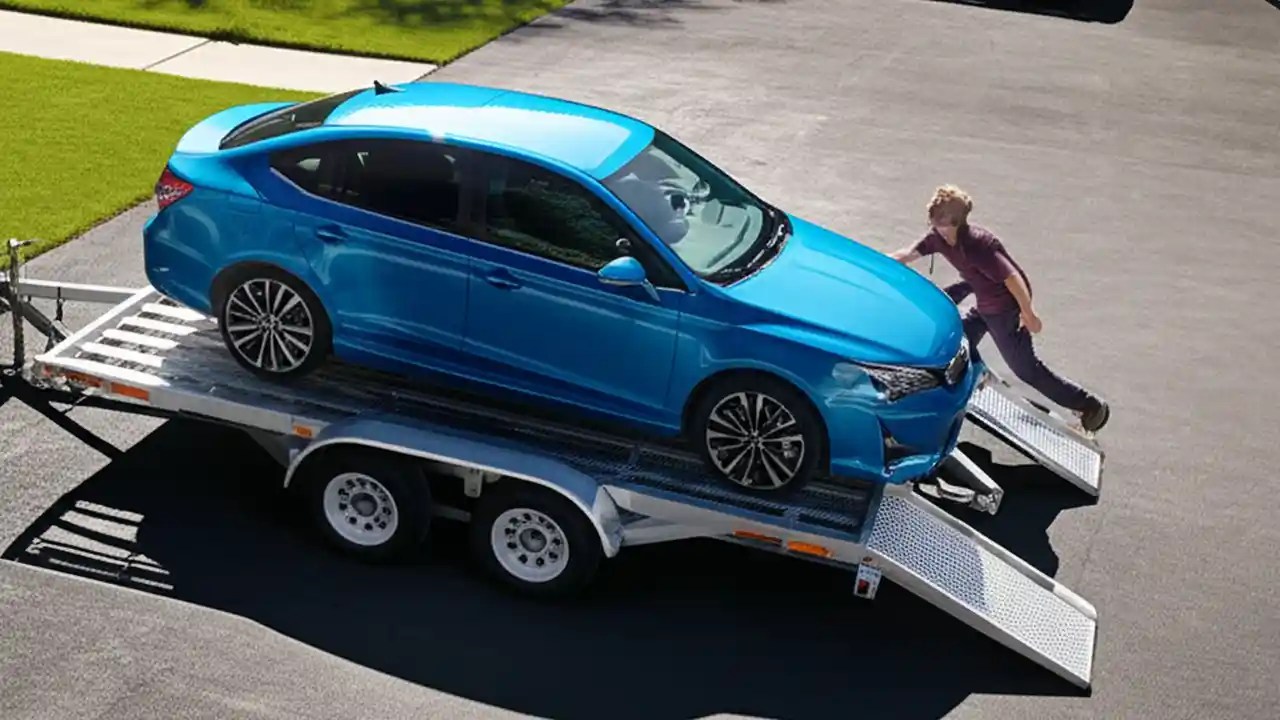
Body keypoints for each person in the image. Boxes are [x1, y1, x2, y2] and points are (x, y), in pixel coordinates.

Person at [888, 185, 1110, 433]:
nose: (936, 227)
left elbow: (1012, 278)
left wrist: (1028, 314)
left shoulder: (978, 245)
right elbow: (907, 254)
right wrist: (874, 264)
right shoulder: (938, 238)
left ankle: (1090, 407)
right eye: (933, 220)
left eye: (941, 222)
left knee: (1026, 369)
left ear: (956, 221)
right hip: (983, 300)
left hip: (1004, 309)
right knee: (954, 341)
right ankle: (976, 377)